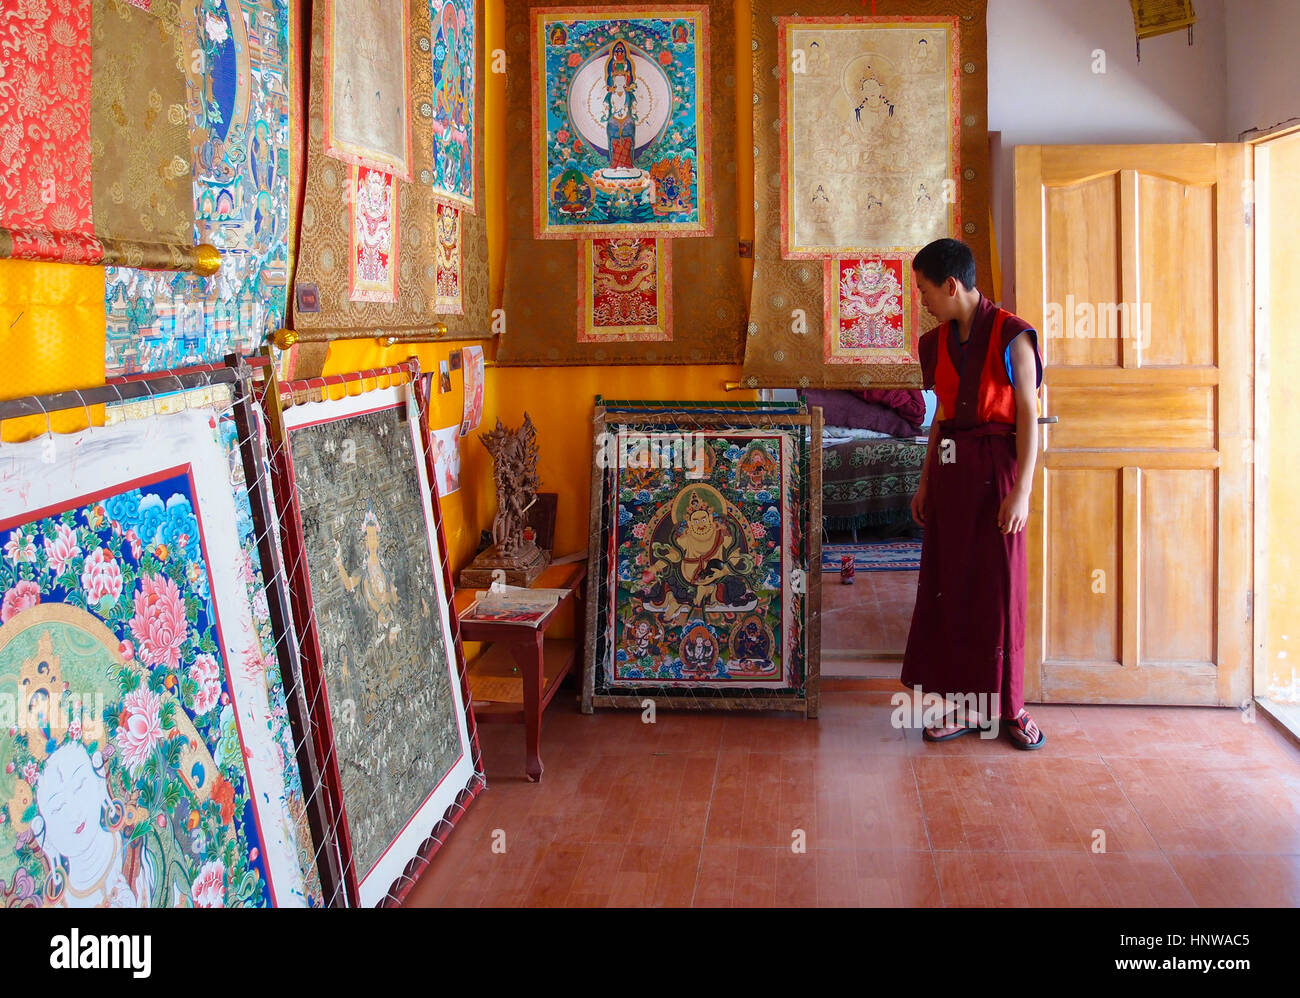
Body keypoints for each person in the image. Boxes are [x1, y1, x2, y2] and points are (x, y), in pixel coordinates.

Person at [901, 238, 1046, 749]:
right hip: (951, 473)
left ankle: (1011, 707)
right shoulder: (935, 343)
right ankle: (962, 706)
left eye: (924, 290)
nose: (921, 300)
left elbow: (1029, 416)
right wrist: (925, 484)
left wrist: (1023, 490)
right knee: (952, 587)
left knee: (1001, 591)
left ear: (952, 285)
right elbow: (941, 420)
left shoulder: (1012, 335)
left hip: (998, 474)